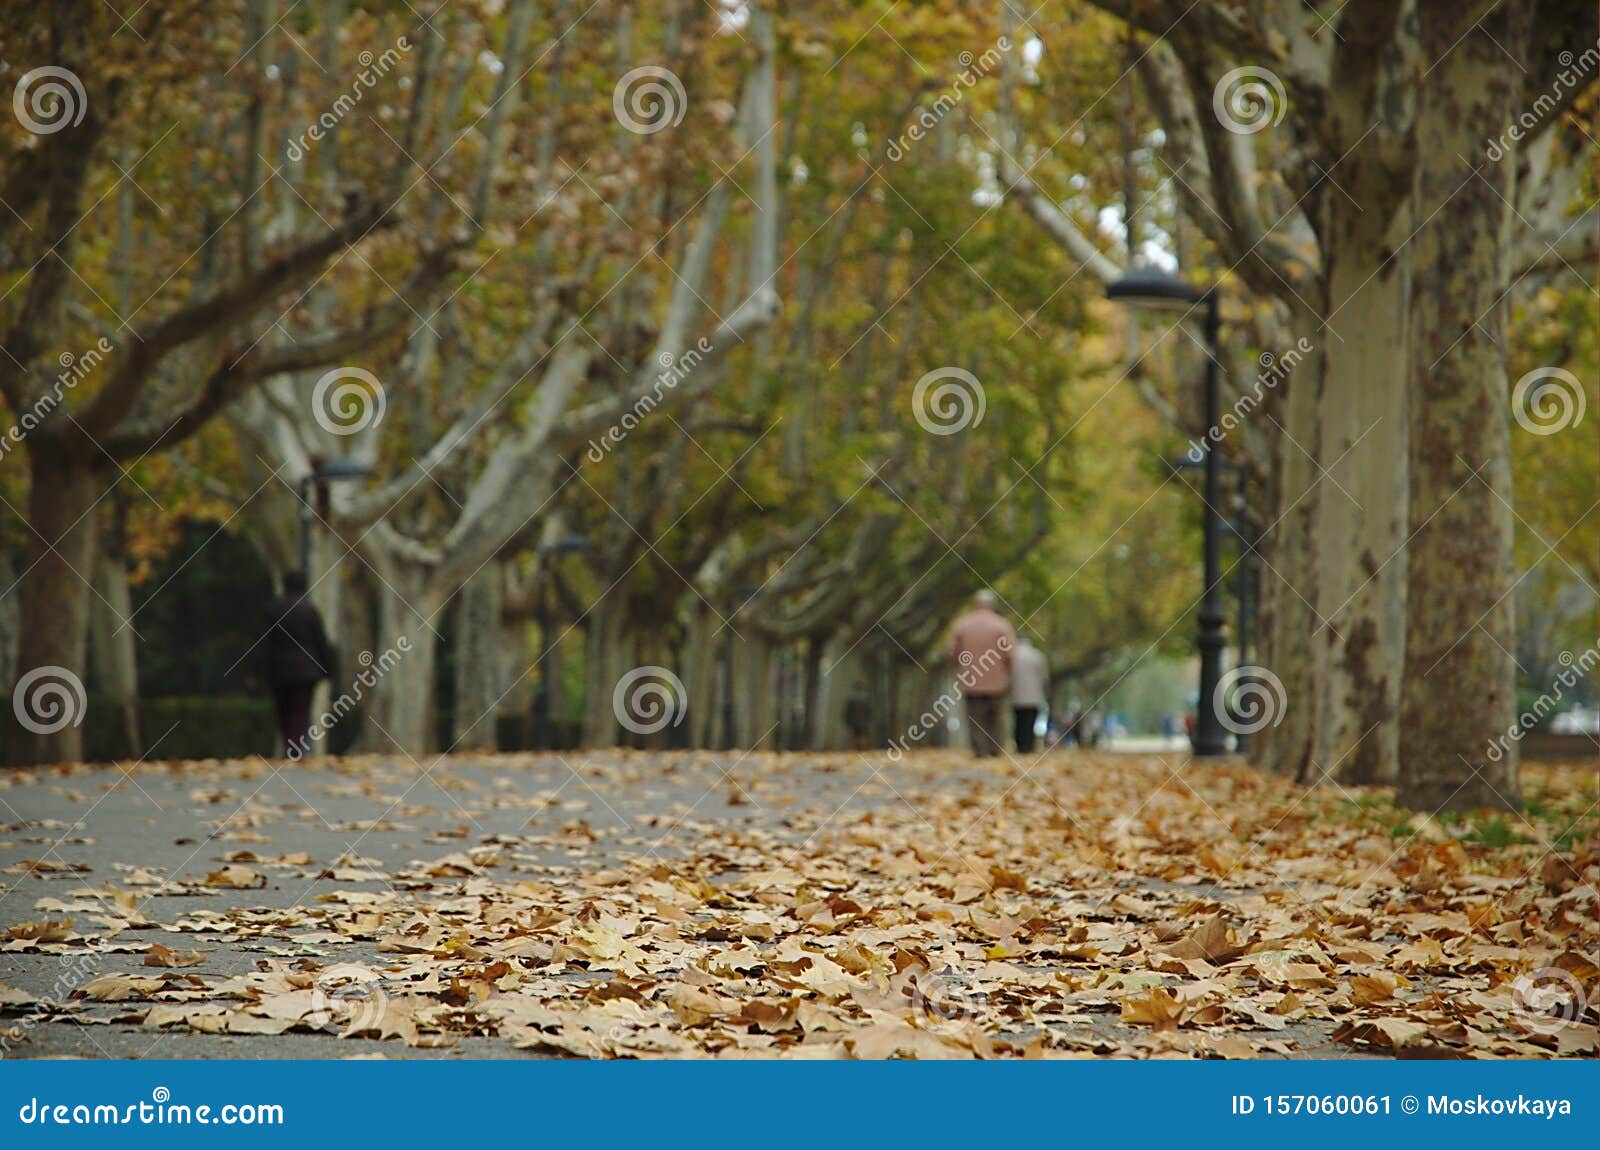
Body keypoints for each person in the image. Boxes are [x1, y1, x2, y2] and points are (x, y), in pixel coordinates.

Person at [259, 571, 334, 757]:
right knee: (301, 710)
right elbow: (321, 643)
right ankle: (295, 747)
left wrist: (257, 671)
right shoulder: (310, 611)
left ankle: (289, 745)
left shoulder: (272, 610)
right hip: (306, 671)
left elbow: (263, 643)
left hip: (279, 670)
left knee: (282, 709)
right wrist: (328, 670)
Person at [947, 589, 1015, 758]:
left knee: (975, 718)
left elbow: (952, 652)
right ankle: (994, 749)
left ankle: (979, 750)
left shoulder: (962, 625)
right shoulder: (1002, 625)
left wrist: (960, 667)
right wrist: (1006, 671)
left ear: (975, 604)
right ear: (993, 605)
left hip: (971, 680)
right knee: (996, 717)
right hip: (996, 681)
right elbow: (1010, 654)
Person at [1009, 635, 1049, 753]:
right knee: (1030, 722)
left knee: (1018, 722)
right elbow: (1044, 677)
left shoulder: (1013, 656)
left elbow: (1008, 677)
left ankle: (1020, 746)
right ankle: (1029, 746)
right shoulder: (1038, 656)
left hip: (1017, 694)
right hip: (1034, 695)